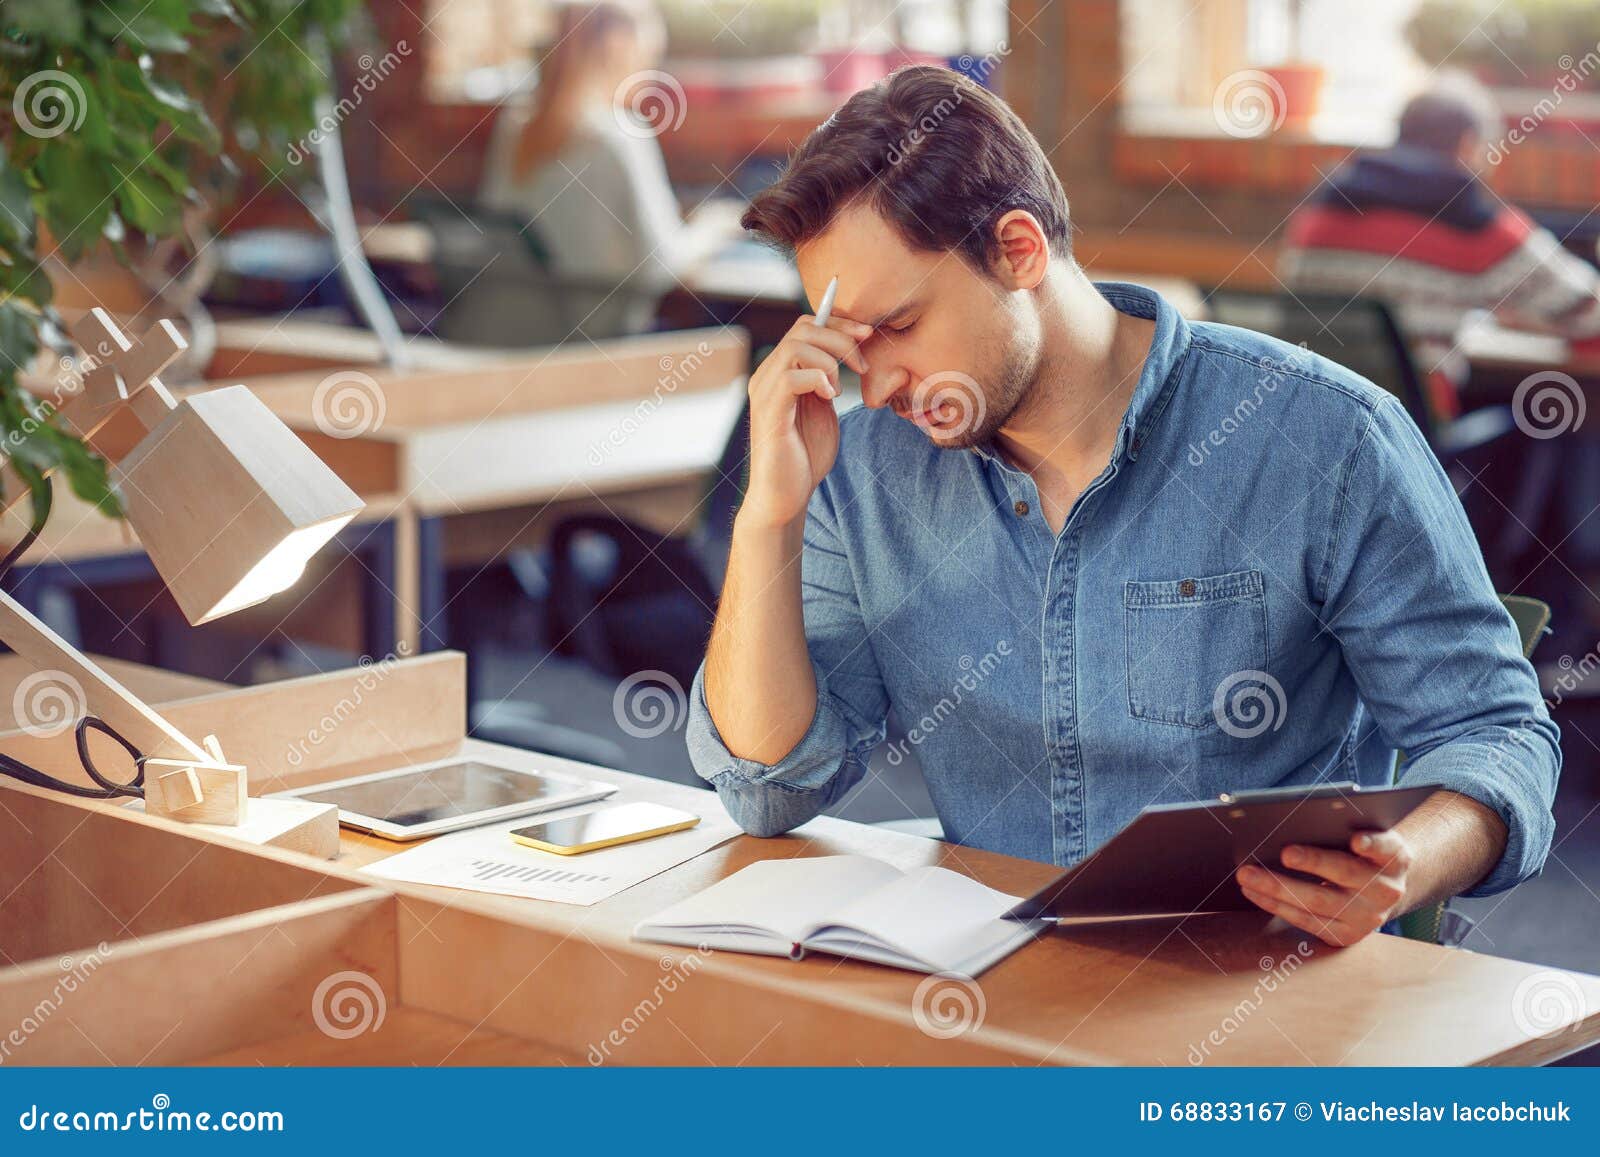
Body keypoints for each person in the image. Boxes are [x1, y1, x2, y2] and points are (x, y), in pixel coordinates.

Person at [685, 65, 1560, 949]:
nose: (872, 387)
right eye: (847, 344)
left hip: (1256, 992)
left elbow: (1495, 732)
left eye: (899, 328)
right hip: (995, 989)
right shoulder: (861, 464)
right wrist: (769, 516)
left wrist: (1406, 858)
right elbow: (768, 790)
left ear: (1019, 250)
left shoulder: (1323, 436)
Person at [1279, 75, 1600, 412]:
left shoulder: (1320, 207)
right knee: (1559, 415)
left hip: (1308, 420)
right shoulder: (1473, 220)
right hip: (1409, 441)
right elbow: (1590, 314)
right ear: (1468, 144)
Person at [477, 1, 740, 335]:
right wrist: (715, 228)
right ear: (619, 44)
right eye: (650, 54)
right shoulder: (621, 136)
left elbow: (493, 232)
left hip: (521, 340)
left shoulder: (514, 128)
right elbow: (662, 266)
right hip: (600, 346)